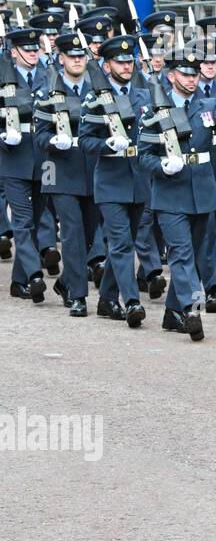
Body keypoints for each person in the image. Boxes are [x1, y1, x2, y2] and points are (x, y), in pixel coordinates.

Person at [137, 51, 216, 341]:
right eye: (186, 74)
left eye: (195, 74)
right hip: (170, 193)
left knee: (202, 256)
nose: (191, 79)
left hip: (203, 191)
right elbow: (144, 155)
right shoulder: (156, 111)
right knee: (181, 253)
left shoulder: (208, 105)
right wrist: (162, 166)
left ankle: (173, 311)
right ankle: (190, 306)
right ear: (172, 76)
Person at [78, 34, 150, 327]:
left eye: (128, 60)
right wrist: (108, 145)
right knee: (121, 245)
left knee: (126, 241)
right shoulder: (95, 98)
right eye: (119, 62)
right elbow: (84, 140)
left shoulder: (144, 95)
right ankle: (131, 301)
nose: (125, 65)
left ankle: (107, 299)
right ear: (107, 65)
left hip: (138, 180)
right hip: (110, 180)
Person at [33, 33, 99, 317]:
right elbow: (40, 135)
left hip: (93, 171)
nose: (77, 60)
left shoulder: (98, 89)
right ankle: (78, 296)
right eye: (71, 56)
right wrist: (52, 142)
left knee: (88, 236)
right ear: (61, 59)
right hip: (60, 171)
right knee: (71, 233)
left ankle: (63, 283)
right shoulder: (50, 91)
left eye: (80, 56)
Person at [0, 27, 52, 303]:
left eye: (36, 49)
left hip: (44, 159)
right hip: (12, 158)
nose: (33, 53)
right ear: (13, 51)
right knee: (21, 221)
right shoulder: (2, 77)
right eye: (28, 49)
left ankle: (18, 281)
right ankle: (34, 274)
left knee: (34, 219)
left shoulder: (48, 76)